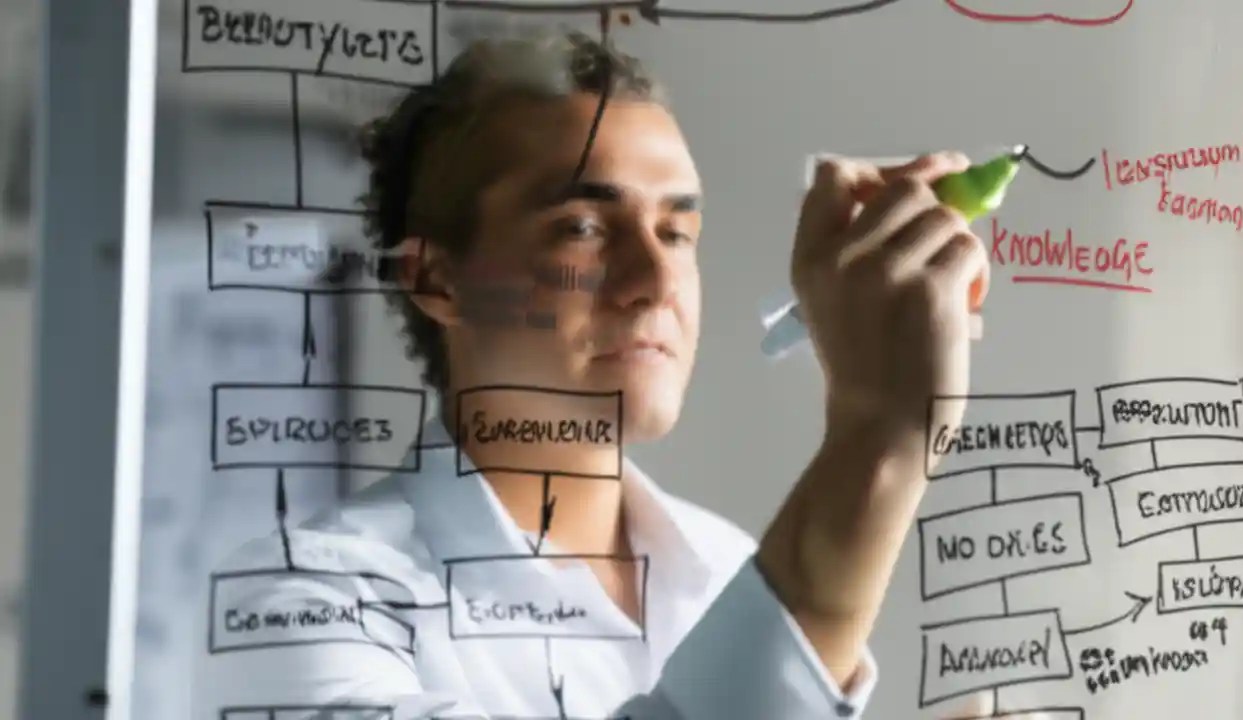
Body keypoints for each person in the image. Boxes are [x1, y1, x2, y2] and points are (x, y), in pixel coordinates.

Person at [195, 29, 996, 720]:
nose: (654, 277)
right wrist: (879, 439)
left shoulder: (724, 566)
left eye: (678, 232)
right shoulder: (301, 606)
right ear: (438, 281)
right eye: (582, 226)